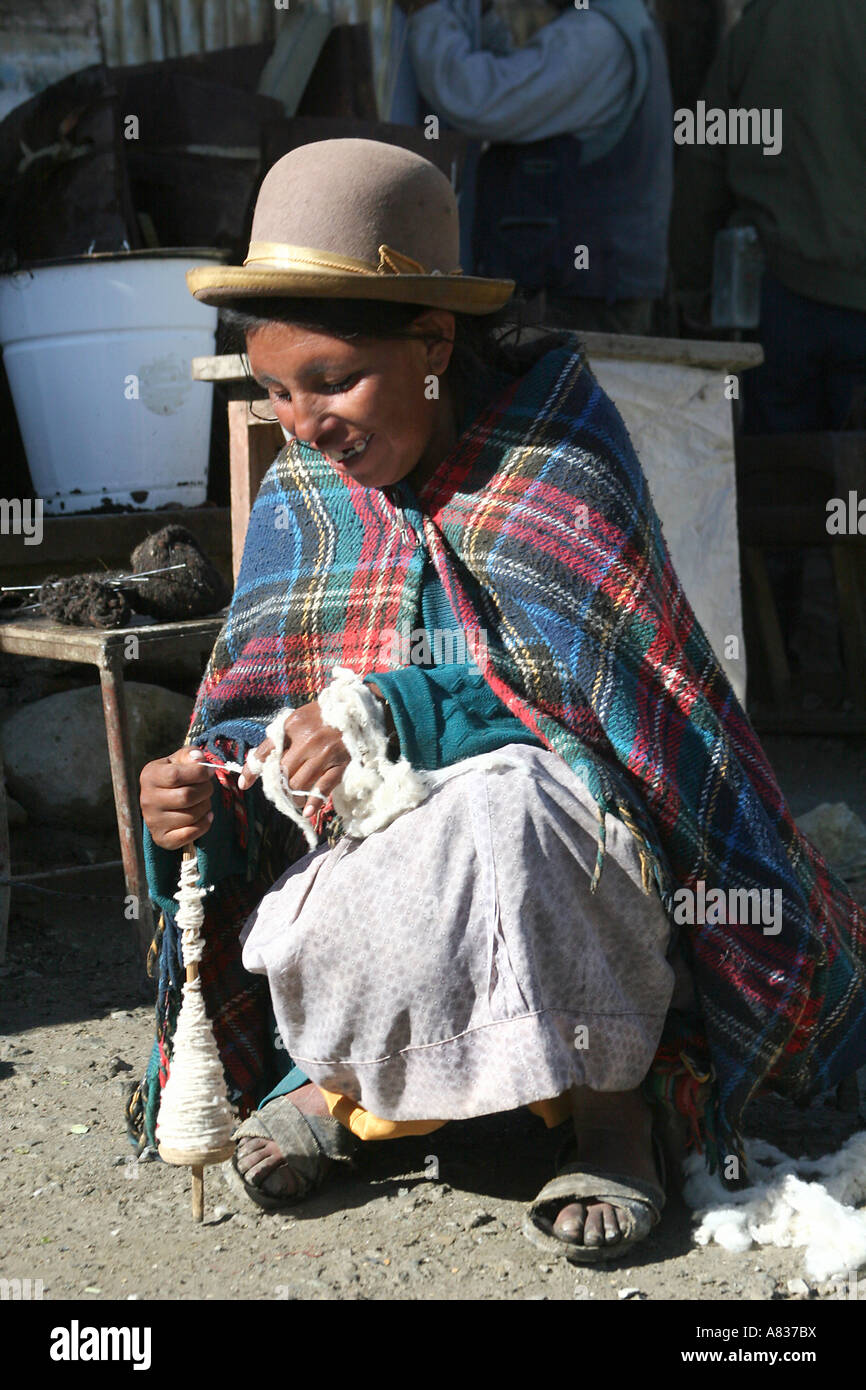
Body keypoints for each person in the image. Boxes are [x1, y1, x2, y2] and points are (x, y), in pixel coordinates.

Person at [135, 138, 866, 1263]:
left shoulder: (552, 463)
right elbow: (258, 717)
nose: (304, 421)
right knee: (355, 868)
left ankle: (605, 1108)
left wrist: (395, 715)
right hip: (374, 865)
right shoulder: (303, 497)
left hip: (569, 866)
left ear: (433, 344)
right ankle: (351, 1091)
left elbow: (609, 725)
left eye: (331, 381)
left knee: (503, 811)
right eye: (276, 390)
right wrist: (215, 786)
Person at [396, 0, 674, 335]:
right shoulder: (618, 23)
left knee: (562, 385)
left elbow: (483, 101)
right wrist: (481, 20)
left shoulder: (596, 37)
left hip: (581, 294)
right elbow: (519, 77)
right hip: (589, 287)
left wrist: (431, 14)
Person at [670, 0, 866, 434]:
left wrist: (695, 289)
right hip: (807, 297)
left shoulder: (765, 23)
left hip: (781, 299)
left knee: (781, 478)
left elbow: (703, 162)